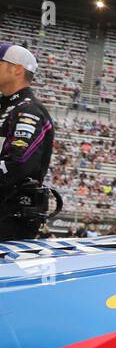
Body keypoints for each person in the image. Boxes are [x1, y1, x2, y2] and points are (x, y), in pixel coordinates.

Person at [0, 43, 55, 241]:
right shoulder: (7, 106)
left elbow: (19, 163)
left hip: (10, 218)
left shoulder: (28, 110)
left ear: (17, 69)